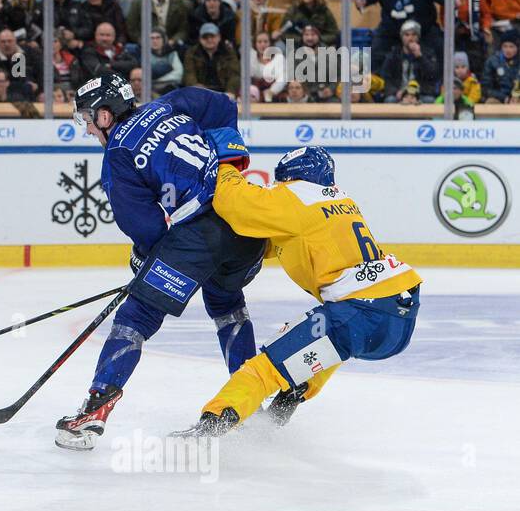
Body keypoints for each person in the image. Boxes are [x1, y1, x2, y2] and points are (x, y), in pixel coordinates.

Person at [54, 75, 263, 451]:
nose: (87, 128)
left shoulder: (118, 153)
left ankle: (95, 411)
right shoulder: (169, 105)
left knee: (136, 316)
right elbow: (223, 105)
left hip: (200, 236)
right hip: (248, 222)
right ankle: (249, 401)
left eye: (88, 119)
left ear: (105, 116)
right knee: (226, 304)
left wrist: (146, 259)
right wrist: (228, 160)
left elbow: (143, 226)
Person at [174, 144, 421, 436]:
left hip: (360, 311)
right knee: (331, 342)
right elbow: (282, 241)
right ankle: (291, 396)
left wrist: (226, 164)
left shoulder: (295, 196)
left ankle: (209, 427)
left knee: (263, 369)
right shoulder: (339, 199)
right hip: (400, 314)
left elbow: (233, 203)